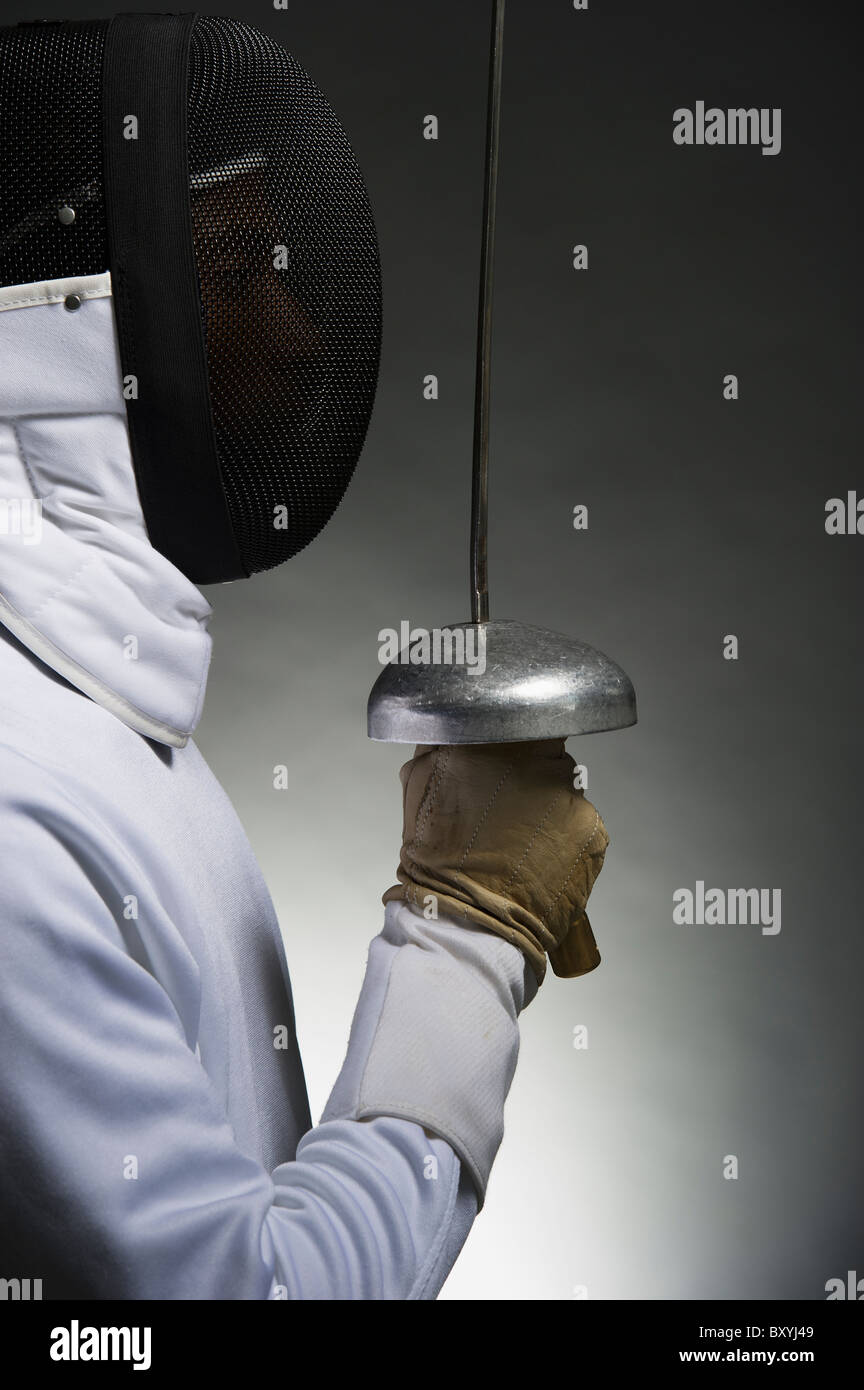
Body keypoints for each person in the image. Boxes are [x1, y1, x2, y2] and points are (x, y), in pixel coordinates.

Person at [0, 12, 610, 1300]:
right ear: (89, 299)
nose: (293, 315)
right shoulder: (17, 808)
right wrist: (469, 925)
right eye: (247, 264)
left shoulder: (90, 715)